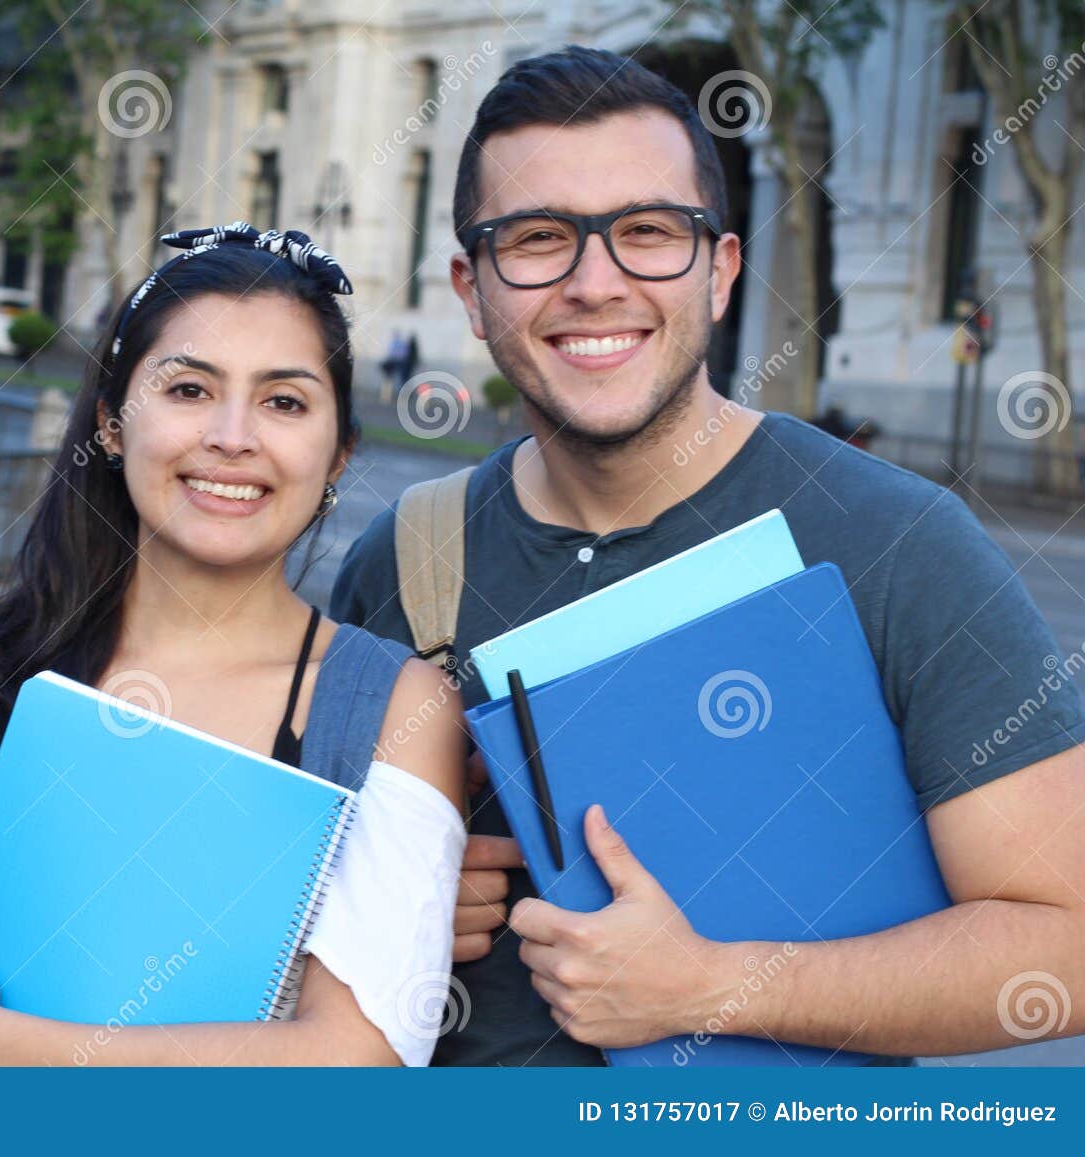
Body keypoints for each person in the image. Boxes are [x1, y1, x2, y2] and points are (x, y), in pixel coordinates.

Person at [331, 47, 1085, 1065]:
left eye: (646, 232)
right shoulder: (400, 559)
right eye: (539, 239)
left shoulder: (896, 541)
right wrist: (398, 894)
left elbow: (1064, 943)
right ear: (471, 288)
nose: (595, 283)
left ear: (720, 269)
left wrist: (716, 986)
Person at [0, 222, 468, 1067]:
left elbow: (350, 1066)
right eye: (189, 390)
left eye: (284, 401)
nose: (233, 435)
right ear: (112, 425)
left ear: (339, 454)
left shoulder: (391, 711)